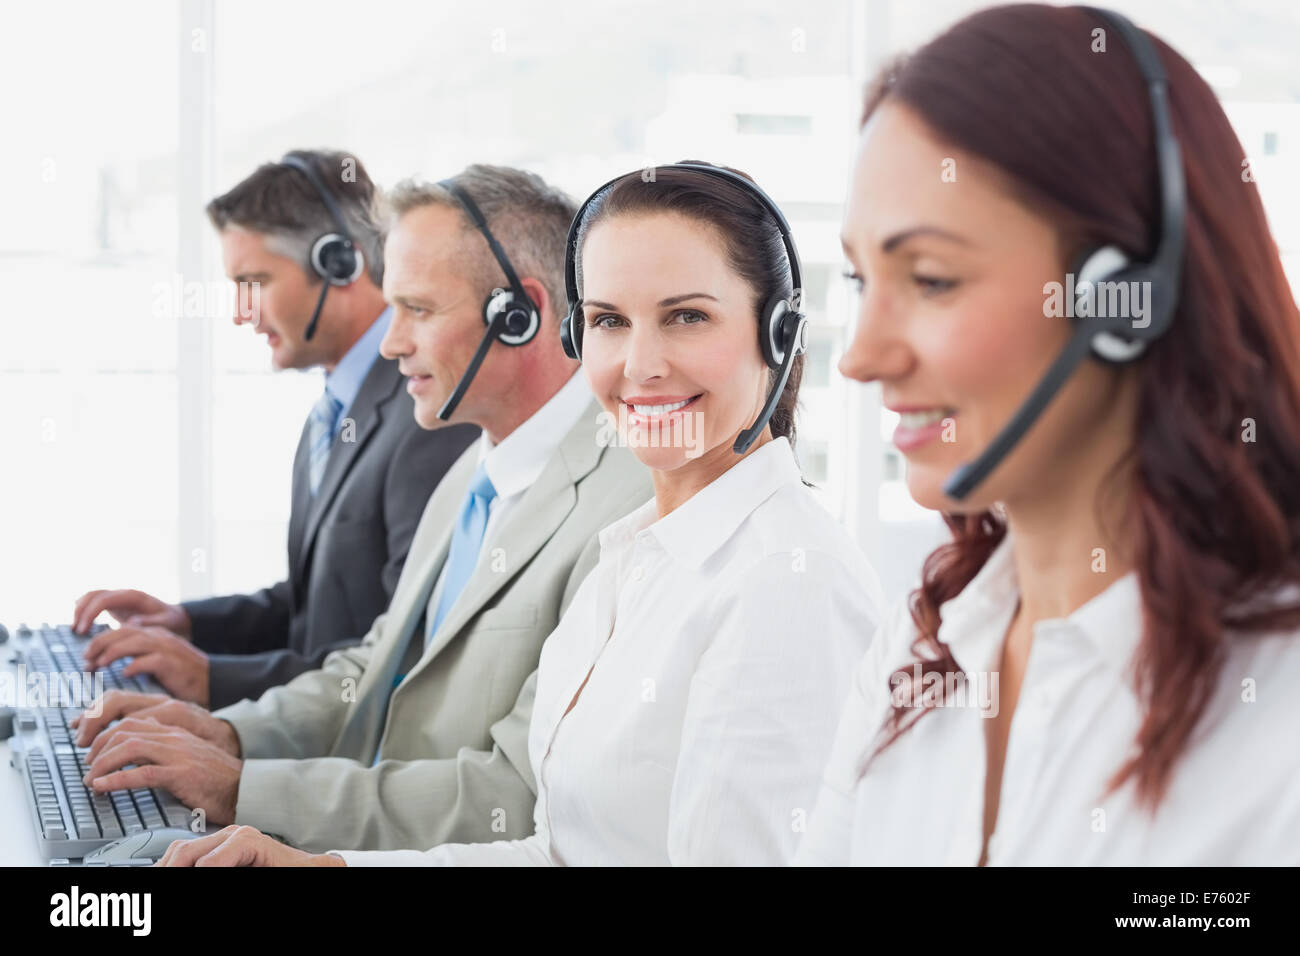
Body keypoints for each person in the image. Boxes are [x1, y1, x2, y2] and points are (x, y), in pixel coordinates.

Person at [155, 161, 885, 866]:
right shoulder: (634, 554)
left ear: (780, 335)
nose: (640, 364)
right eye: (607, 321)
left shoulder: (790, 582)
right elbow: (552, 849)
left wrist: (249, 786)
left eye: (687, 316)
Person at [798, 4, 1300, 866]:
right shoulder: (920, 647)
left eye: (930, 278)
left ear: (1126, 299)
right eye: (859, 277)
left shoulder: (1276, 708)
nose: (863, 358)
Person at [72, 165, 654, 852]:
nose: (389, 341)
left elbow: (514, 794)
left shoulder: (627, 512)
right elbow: (371, 668)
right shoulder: (477, 466)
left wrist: (242, 788)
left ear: (517, 315)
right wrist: (227, 734)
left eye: (419, 309)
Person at [70, 149, 478, 709]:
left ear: (340, 264)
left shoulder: (425, 411)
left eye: (255, 281)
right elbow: (313, 607)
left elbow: (402, 656)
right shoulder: (334, 407)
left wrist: (214, 680)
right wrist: (187, 624)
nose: (241, 312)